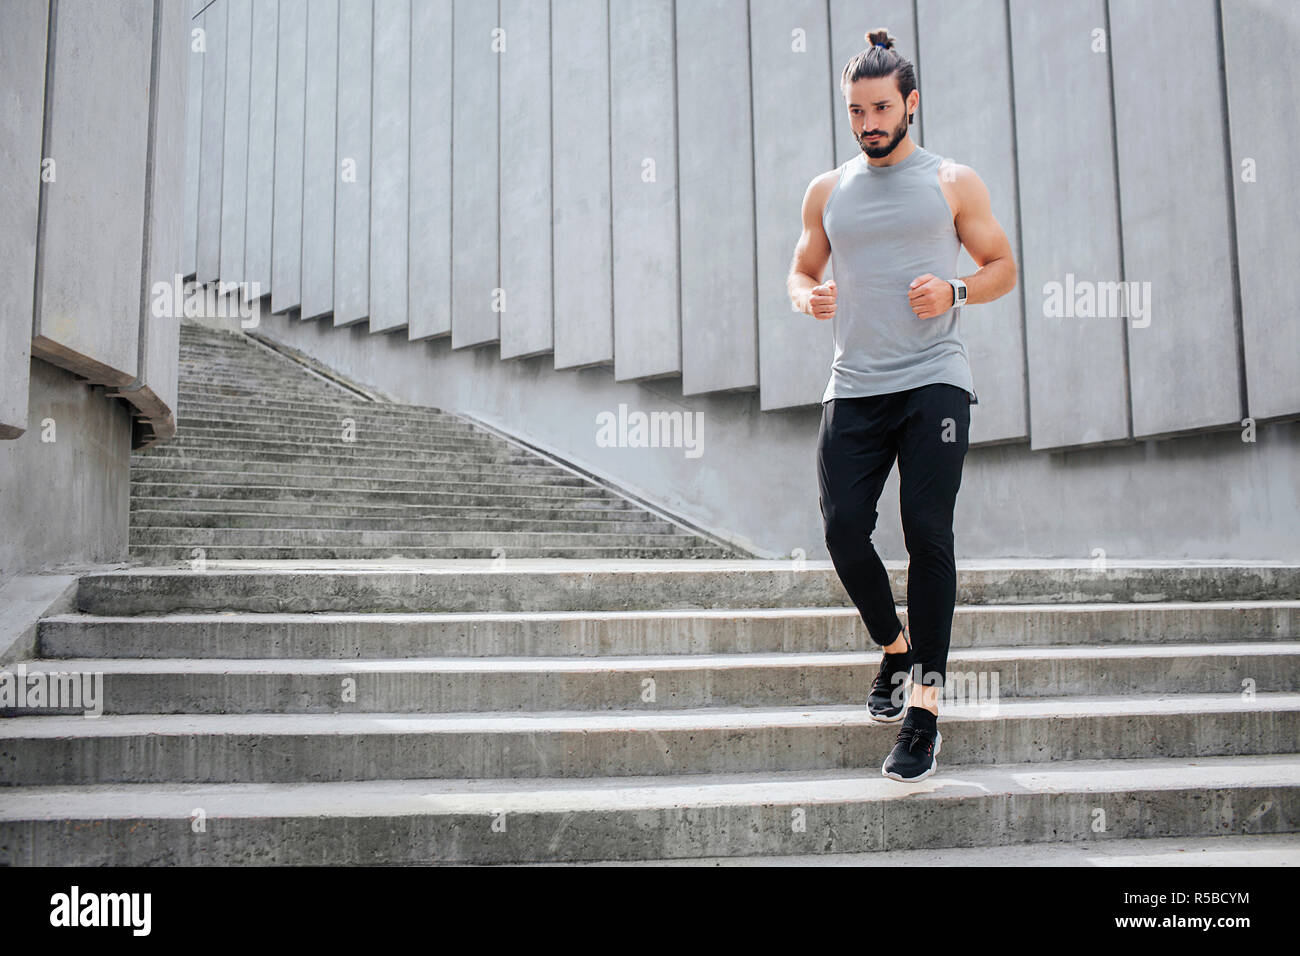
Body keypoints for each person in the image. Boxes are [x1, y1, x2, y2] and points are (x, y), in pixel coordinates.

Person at [786, 29, 1017, 781]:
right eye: (856, 111)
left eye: (881, 107)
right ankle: (894, 646)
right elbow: (800, 269)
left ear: (910, 103)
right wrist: (807, 297)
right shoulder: (828, 191)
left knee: (928, 530)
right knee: (845, 530)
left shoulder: (953, 181)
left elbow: (1002, 267)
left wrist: (954, 290)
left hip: (934, 381)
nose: (867, 123)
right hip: (855, 383)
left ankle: (923, 712)